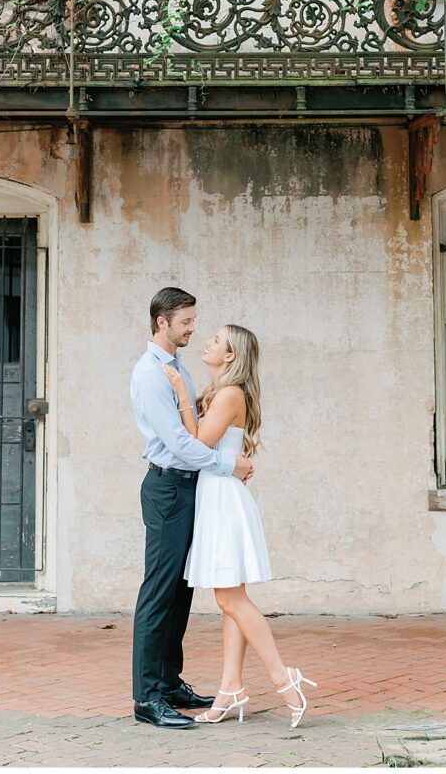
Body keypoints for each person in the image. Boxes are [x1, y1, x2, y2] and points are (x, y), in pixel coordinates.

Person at [163, 323, 317, 729]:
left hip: (222, 501)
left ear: (230, 356)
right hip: (218, 495)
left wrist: (181, 394)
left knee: (231, 600)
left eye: (216, 341)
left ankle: (283, 677)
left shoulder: (230, 393)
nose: (207, 342)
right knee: (230, 599)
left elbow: (197, 443)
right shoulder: (221, 392)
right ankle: (230, 688)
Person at [130, 286, 255, 729]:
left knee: (180, 592)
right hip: (168, 488)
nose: (192, 329)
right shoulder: (151, 373)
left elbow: (195, 428)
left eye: (194, 321)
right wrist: (228, 464)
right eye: (186, 322)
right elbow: (181, 443)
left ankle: (168, 683)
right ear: (162, 322)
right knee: (159, 592)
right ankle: (148, 697)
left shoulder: (176, 366)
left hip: (188, 488)